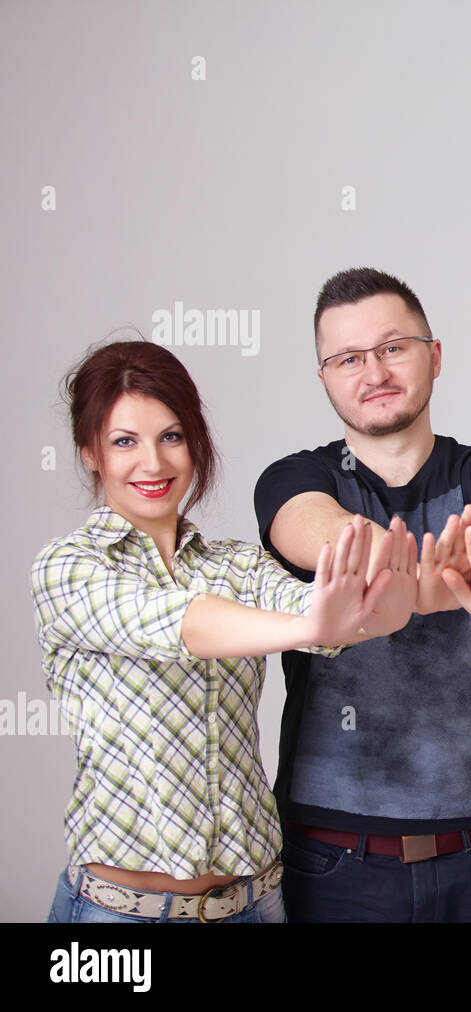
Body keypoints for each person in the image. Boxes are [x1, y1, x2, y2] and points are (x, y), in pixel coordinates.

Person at [36, 340, 409, 923]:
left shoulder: (236, 563)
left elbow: (326, 616)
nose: (153, 464)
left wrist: (386, 592)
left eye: (171, 437)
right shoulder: (68, 567)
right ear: (91, 452)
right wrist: (314, 621)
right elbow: (182, 624)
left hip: (253, 905)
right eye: (124, 442)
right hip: (122, 915)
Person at [253, 267, 471, 922]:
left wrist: (419, 571)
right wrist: (433, 579)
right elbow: (321, 538)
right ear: (324, 377)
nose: (373, 372)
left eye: (393, 348)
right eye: (348, 358)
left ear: (434, 356)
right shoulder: (296, 479)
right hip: (331, 854)